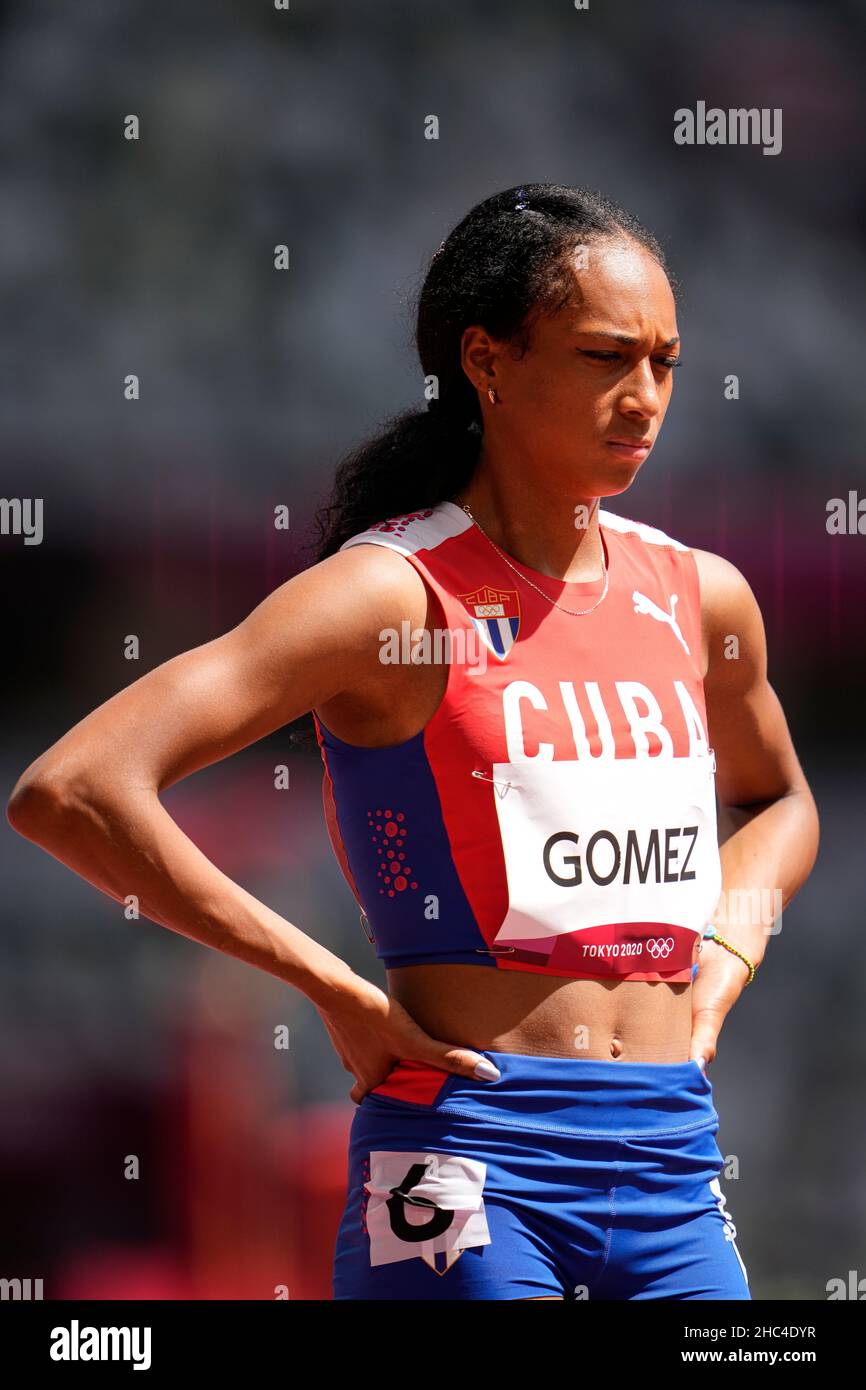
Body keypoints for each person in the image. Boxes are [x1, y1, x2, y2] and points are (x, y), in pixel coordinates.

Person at [8, 183, 819, 1301]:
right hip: (469, 1154)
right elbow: (73, 786)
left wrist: (723, 959)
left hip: (673, 1159)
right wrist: (331, 988)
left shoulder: (701, 598)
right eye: (602, 357)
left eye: (664, 363)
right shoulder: (390, 597)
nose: (642, 399)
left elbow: (778, 802)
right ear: (485, 359)